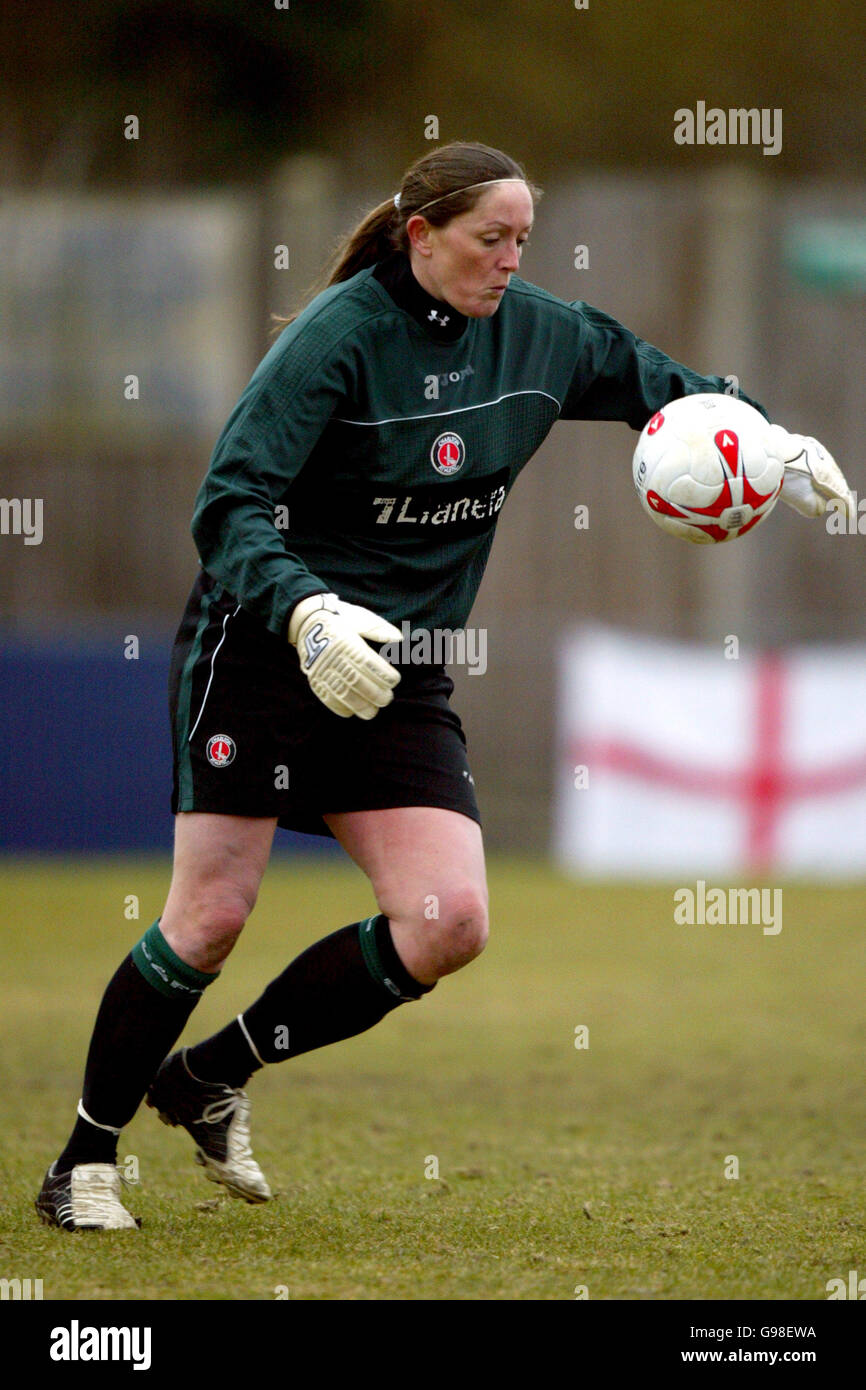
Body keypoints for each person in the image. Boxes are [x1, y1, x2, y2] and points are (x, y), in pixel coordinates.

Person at [36, 140, 852, 1230]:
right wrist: (307, 607)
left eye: (522, 239)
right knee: (211, 915)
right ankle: (82, 1160)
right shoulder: (338, 337)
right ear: (418, 236)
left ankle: (206, 1076)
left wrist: (769, 439)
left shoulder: (543, 334)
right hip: (270, 648)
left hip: (400, 669)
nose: (510, 260)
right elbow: (227, 504)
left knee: (447, 919)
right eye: (488, 239)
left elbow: (664, 388)